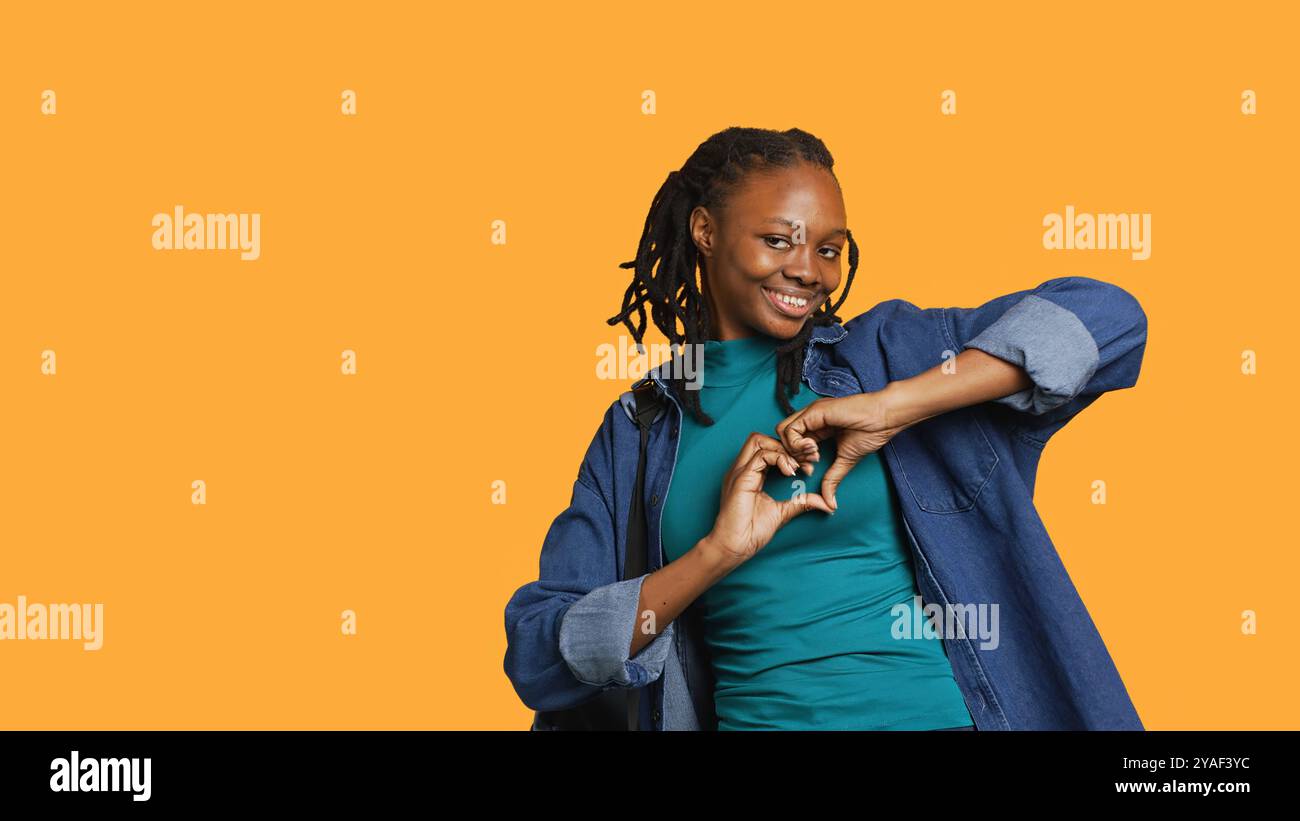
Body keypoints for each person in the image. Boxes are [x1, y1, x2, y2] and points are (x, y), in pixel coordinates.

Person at [504, 126, 1148, 730]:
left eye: (829, 249)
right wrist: (714, 555)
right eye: (779, 240)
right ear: (704, 230)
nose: (809, 270)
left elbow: (1109, 320)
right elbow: (541, 658)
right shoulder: (638, 433)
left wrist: (893, 406)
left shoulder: (887, 356)